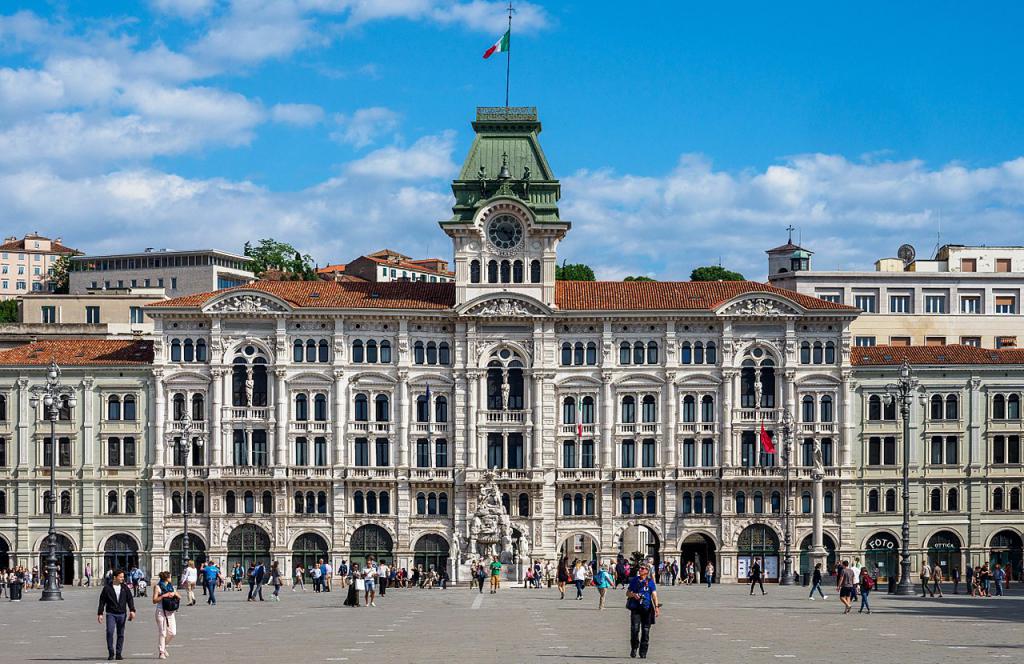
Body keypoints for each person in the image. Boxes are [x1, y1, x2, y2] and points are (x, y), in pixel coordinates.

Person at [97, 569, 136, 661]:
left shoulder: (125, 587)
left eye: (123, 577)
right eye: (121, 577)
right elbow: (102, 601)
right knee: (110, 632)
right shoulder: (107, 588)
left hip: (122, 614)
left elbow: (130, 599)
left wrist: (132, 610)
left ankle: (118, 653)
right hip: (111, 613)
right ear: (115, 577)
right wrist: (100, 613)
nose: (123, 578)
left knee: (120, 634)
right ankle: (111, 652)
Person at [626, 563, 660, 659]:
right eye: (640, 568)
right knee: (634, 630)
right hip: (636, 609)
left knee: (645, 631)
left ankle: (643, 651)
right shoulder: (634, 580)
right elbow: (627, 593)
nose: (640, 570)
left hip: (647, 609)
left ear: (647, 571)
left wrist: (656, 607)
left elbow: (654, 595)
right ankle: (634, 648)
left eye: (642, 568)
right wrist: (634, 595)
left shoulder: (650, 582)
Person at [152, 571, 179, 660]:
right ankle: (161, 652)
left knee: (172, 632)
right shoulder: (158, 587)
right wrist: (164, 595)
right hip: (161, 611)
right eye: (170, 577)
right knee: (163, 632)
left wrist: (174, 594)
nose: (171, 578)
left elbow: (179, 596)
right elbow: (154, 600)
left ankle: (164, 646)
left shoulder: (171, 587)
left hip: (170, 612)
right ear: (167, 578)